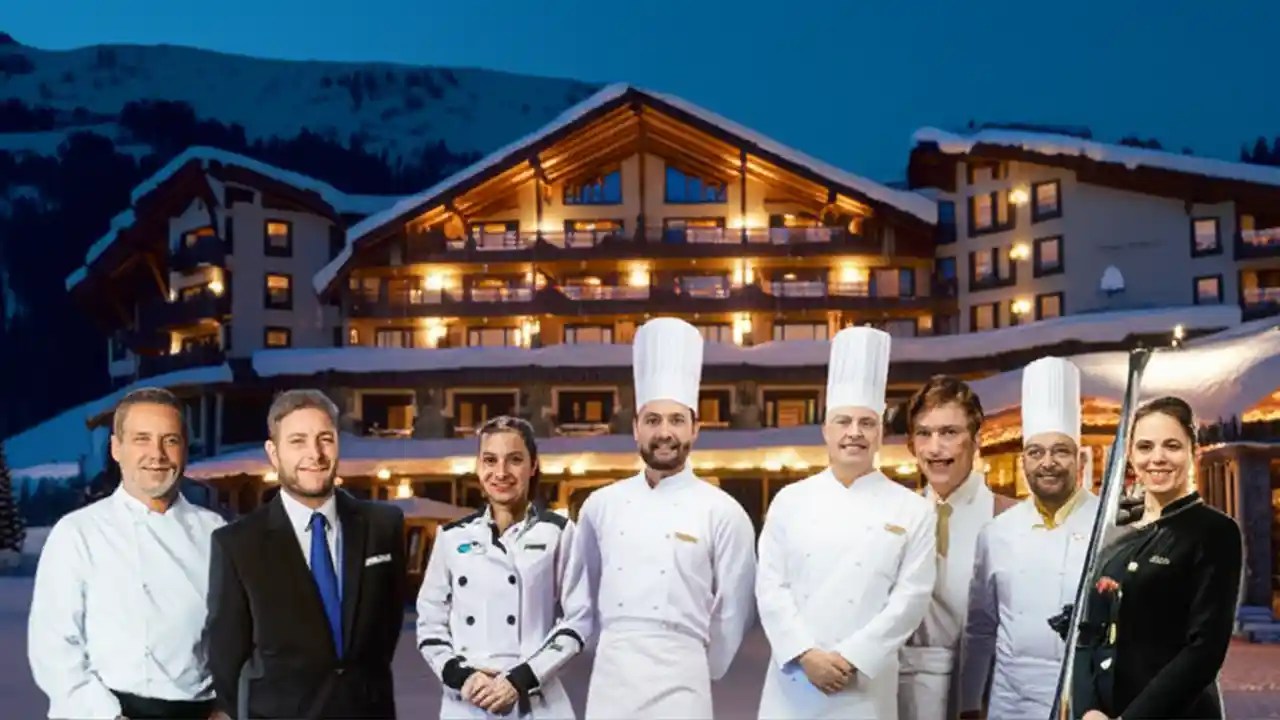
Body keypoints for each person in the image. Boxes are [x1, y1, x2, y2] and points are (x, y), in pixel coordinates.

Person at [567, 316, 757, 719]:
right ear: (636, 428)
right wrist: (611, 642)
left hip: (683, 674)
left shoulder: (722, 511)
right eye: (653, 420)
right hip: (612, 675)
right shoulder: (600, 505)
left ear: (695, 429)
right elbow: (585, 587)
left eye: (676, 420)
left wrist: (699, 661)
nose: (664, 432)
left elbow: (734, 607)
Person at [756, 326, 937, 719]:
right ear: (825, 430)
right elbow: (771, 588)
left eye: (866, 422)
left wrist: (853, 657)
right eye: (843, 421)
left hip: (865, 685)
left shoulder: (913, 509)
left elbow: (911, 599)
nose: (854, 433)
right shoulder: (790, 500)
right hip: (794, 684)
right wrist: (806, 655)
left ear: (880, 433)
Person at [204, 389, 407, 719]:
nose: (315, 453)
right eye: (297, 441)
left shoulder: (383, 526)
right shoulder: (238, 544)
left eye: (325, 438)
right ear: (273, 452)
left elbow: (386, 632)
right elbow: (227, 659)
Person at [28, 387, 227, 720]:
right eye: (142, 439)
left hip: (199, 711)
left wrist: (225, 708)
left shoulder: (215, 531)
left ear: (185, 450)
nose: (158, 454)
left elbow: (236, 634)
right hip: (108, 711)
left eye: (170, 440)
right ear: (117, 448)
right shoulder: (79, 533)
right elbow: (54, 646)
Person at [1070, 396, 1243, 720]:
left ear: (1193, 451)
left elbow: (1204, 650)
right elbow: (1088, 631)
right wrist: (1088, 709)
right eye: (1145, 447)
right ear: (1130, 454)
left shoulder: (1215, 532)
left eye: (1172, 446)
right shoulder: (1114, 531)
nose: (1157, 458)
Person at [416, 415, 591, 718]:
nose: (501, 472)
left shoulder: (558, 532)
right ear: (478, 467)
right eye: (490, 460)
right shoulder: (452, 537)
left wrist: (521, 678)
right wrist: (462, 677)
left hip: (536, 700)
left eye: (514, 460)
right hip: (468, 702)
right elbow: (430, 622)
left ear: (533, 465)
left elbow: (579, 620)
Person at [960, 356, 1099, 719]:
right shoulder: (996, 533)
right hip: (1011, 703)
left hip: (1089, 700)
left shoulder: (1111, 528)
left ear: (1080, 461)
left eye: (1061, 451)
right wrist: (969, 701)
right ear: (1024, 462)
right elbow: (979, 628)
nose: (1047, 462)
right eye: (1035, 452)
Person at [898, 376, 1016, 720]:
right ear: (911, 445)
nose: (935, 448)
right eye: (924, 433)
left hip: (987, 695)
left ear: (976, 440)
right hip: (905, 697)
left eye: (949, 432)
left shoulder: (1009, 519)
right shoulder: (896, 521)